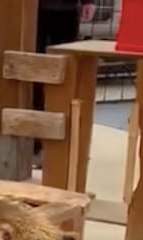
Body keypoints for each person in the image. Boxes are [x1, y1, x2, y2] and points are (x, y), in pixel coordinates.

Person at [32, 0, 96, 167]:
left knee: (65, 76)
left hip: (66, 10)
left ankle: (61, 147)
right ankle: (36, 145)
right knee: (34, 76)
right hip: (32, 10)